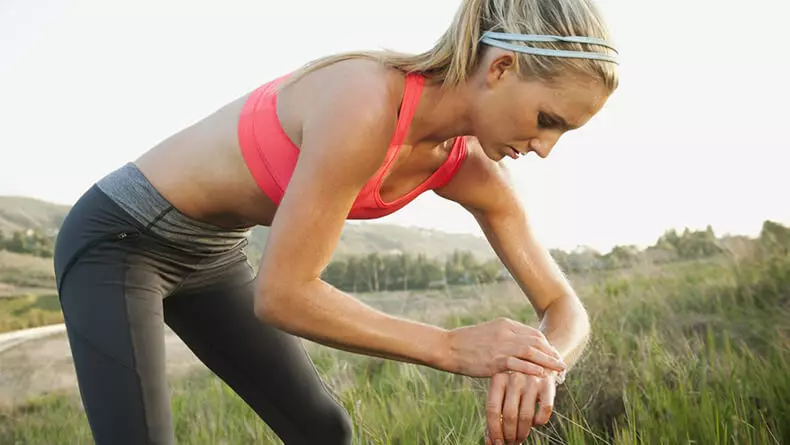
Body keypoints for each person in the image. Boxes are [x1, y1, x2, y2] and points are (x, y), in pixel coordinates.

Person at [53, 0, 618, 443]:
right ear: (500, 66)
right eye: (548, 120)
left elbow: (565, 309)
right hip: (121, 238)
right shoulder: (365, 101)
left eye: (563, 132)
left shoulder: (469, 167)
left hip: (211, 253)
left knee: (323, 432)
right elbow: (283, 295)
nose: (545, 148)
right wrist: (449, 346)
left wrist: (543, 365)